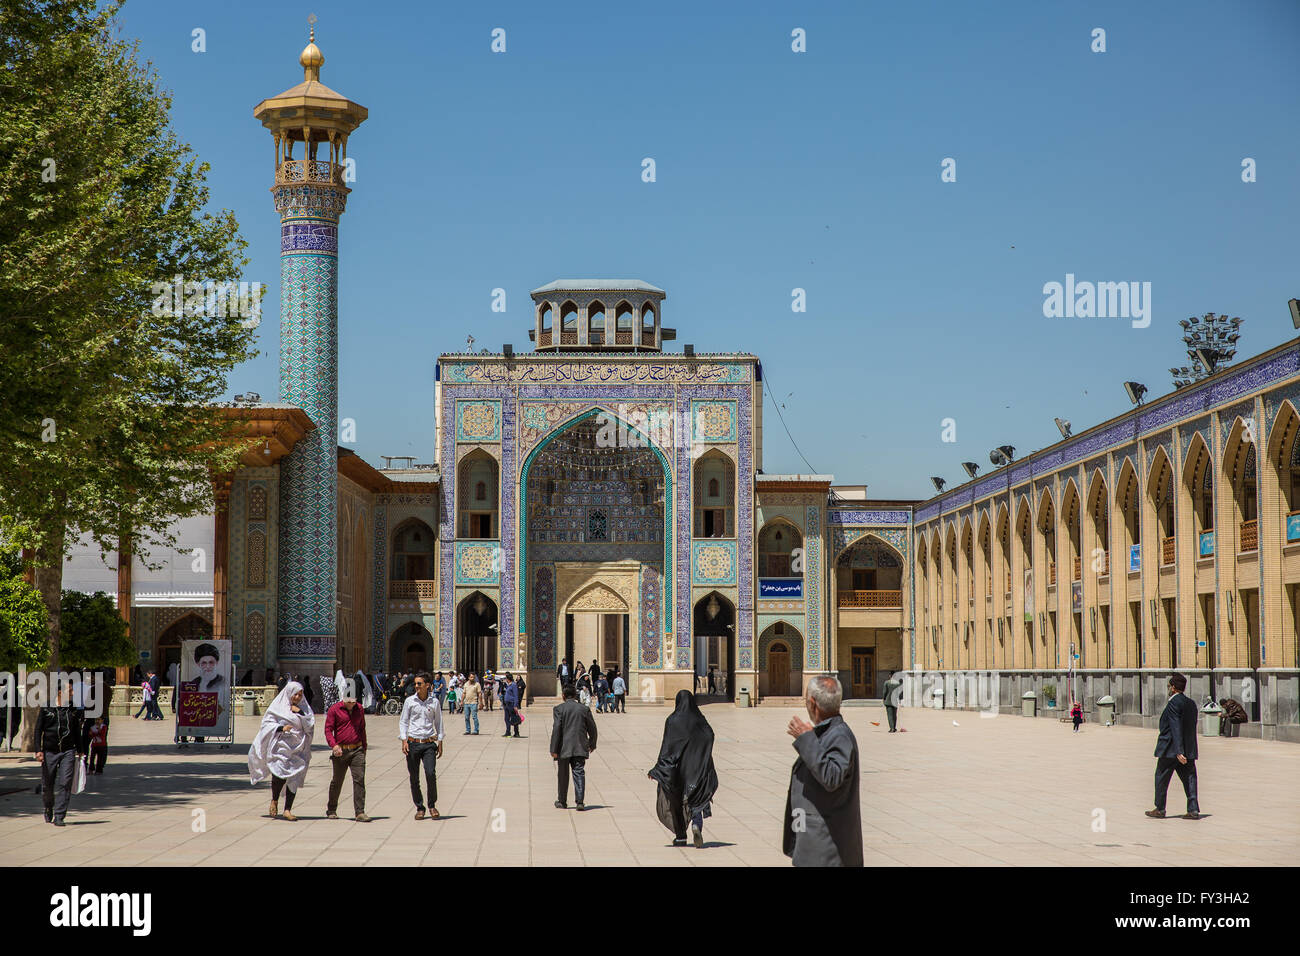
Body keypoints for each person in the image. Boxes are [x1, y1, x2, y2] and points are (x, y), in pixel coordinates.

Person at [783, 675, 863, 866]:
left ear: (812, 703)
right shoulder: (829, 733)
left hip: (827, 849)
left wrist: (807, 739)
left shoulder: (840, 736)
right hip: (816, 843)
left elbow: (831, 777)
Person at [649, 690, 719, 848]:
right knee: (697, 797)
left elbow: (667, 747)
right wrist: (701, 752)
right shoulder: (699, 719)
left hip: (678, 770)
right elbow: (710, 736)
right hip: (697, 767)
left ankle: (680, 836)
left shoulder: (672, 720)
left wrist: (658, 769)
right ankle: (696, 824)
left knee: (677, 801)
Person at [248, 680, 315, 821]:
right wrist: (281, 728)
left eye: (300, 694)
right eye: (295, 694)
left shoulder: (303, 708)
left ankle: (288, 809)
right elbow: (266, 724)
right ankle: (274, 799)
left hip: (297, 747)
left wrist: (301, 713)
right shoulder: (278, 707)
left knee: (294, 777)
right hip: (280, 747)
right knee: (279, 773)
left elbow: (309, 725)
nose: (297, 697)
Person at [1147, 673, 1201, 820]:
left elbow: (1175, 726)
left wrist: (1179, 751)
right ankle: (1193, 809)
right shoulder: (1191, 703)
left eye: (1169, 686)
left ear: (1173, 687)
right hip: (1188, 749)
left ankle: (1160, 808)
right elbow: (1190, 728)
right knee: (1190, 778)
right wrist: (1186, 749)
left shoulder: (1173, 703)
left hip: (1171, 750)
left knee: (1161, 778)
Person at [35, 684, 87, 825]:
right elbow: (38, 730)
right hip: (49, 751)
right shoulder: (47, 708)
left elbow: (77, 731)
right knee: (47, 784)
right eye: (69, 690)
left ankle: (59, 815)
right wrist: (38, 750)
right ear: (59, 692)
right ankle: (48, 806)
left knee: (65, 783)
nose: (72, 692)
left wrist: (81, 750)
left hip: (67, 751)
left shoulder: (74, 710)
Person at [399, 671, 445, 820]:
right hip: (413, 743)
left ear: (427, 685)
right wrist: (404, 740)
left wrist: (440, 741)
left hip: (428, 743)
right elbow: (403, 721)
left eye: (419, 684)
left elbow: (439, 722)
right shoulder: (410, 701)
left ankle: (432, 805)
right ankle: (420, 807)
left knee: (430, 774)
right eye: (415, 684)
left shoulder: (434, 702)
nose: (416, 686)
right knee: (414, 777)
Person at [324, 688, 370, 822]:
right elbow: (328, 729)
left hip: (357, 749)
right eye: (348, 701)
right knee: (337, 781)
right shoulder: (334, 709)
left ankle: (360, 812)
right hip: (341, 751)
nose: (351, 704)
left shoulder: (359, 709)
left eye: (353, 702)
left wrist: (364, 747)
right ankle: (331, 809)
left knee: (359, 779)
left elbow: (362, 728)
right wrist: (334, 745)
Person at [550, 683, 597, 810]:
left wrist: (553, 749)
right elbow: (592, 728)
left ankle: (562, 801)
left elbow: (557, 729)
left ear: (563, 696)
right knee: (579, 773)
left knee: (563, 775)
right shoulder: (583, 709)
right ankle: (580, 802)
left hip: (563, 748)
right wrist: (592, 744)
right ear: (575, 695)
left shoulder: (559, 709)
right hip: (580, 746)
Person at [502, 673, 522, 738]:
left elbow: (516, 695)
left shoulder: (513, 685)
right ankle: (508, 732)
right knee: (506, 718)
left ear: (508, 679)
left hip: (511, 704)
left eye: (505, 678)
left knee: (514, 718)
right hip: (506, 704)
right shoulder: (508, 685)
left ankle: (516, 732)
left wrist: (515, 705)